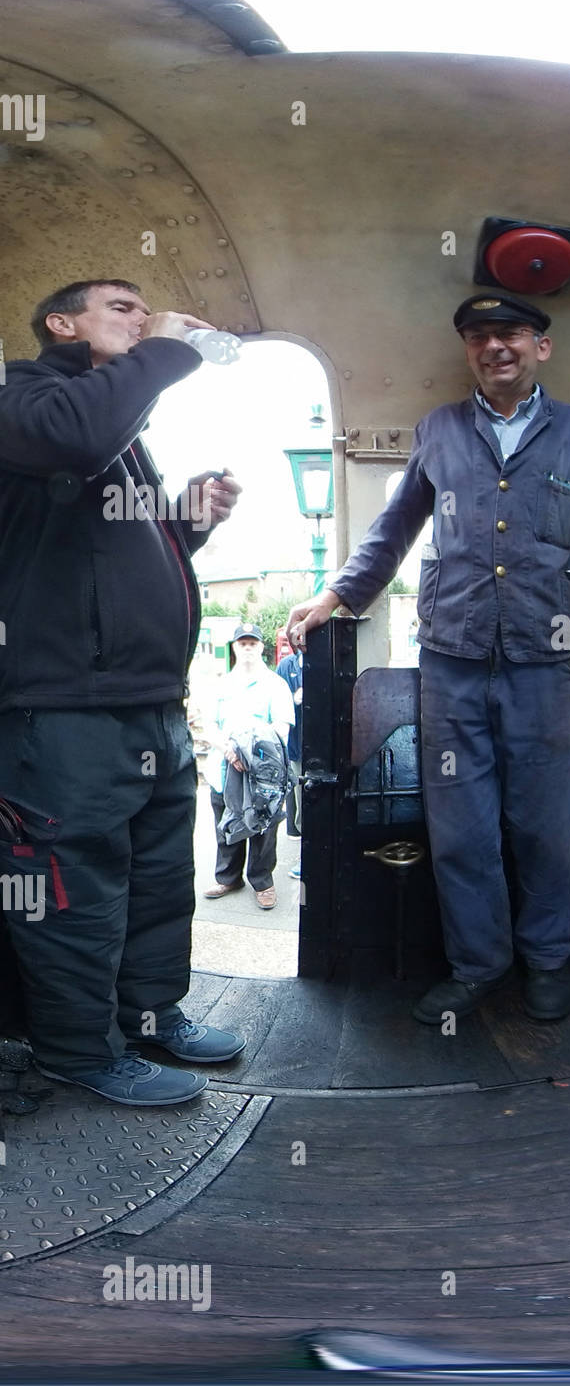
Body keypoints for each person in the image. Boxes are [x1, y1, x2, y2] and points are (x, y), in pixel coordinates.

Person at [285, 295, 570, 1026]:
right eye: (478, 336)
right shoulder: (438, 431)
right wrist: (336, 596)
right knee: (462, 830)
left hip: (542, 661)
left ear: (542, 346)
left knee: (542, 826)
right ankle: (479, 965)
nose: (493, 346)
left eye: (509, 334)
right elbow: (394, 529)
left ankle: (547, 960)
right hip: (452, 661)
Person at [0, 278, 248, 1106]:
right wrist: (164, 350)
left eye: (147, 312)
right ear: (61, 324)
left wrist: (190, 520)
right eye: (122, 308)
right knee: (74, 892)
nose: (143, 321)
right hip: (63, 710)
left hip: (150, 704)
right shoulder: (25, 396)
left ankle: (149, 1018)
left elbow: (111, 542)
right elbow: (70, 442)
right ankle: (74, 1051)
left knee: (154, 878)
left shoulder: (120, 425)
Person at [205, 623, 293, 910]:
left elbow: (280, 728)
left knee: (263, 827)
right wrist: (229, 751)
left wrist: (253, 756)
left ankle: (262, 881)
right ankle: (228, 877)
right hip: (224, 768)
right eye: (241, 643)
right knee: (226, 821)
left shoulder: (275, 685)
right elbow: (209, 726)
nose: (247, 648)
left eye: (252, 643)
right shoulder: (220, 684)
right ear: (234, 648)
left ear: (261, 647)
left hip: (263, 774)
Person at [274, 632, 304, 881]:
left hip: (326, 747)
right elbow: (278, 701)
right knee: (302, 801)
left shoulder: (324, 660)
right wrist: (294, 700)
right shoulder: (286, 666)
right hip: (297, 747)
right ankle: (306, 855)